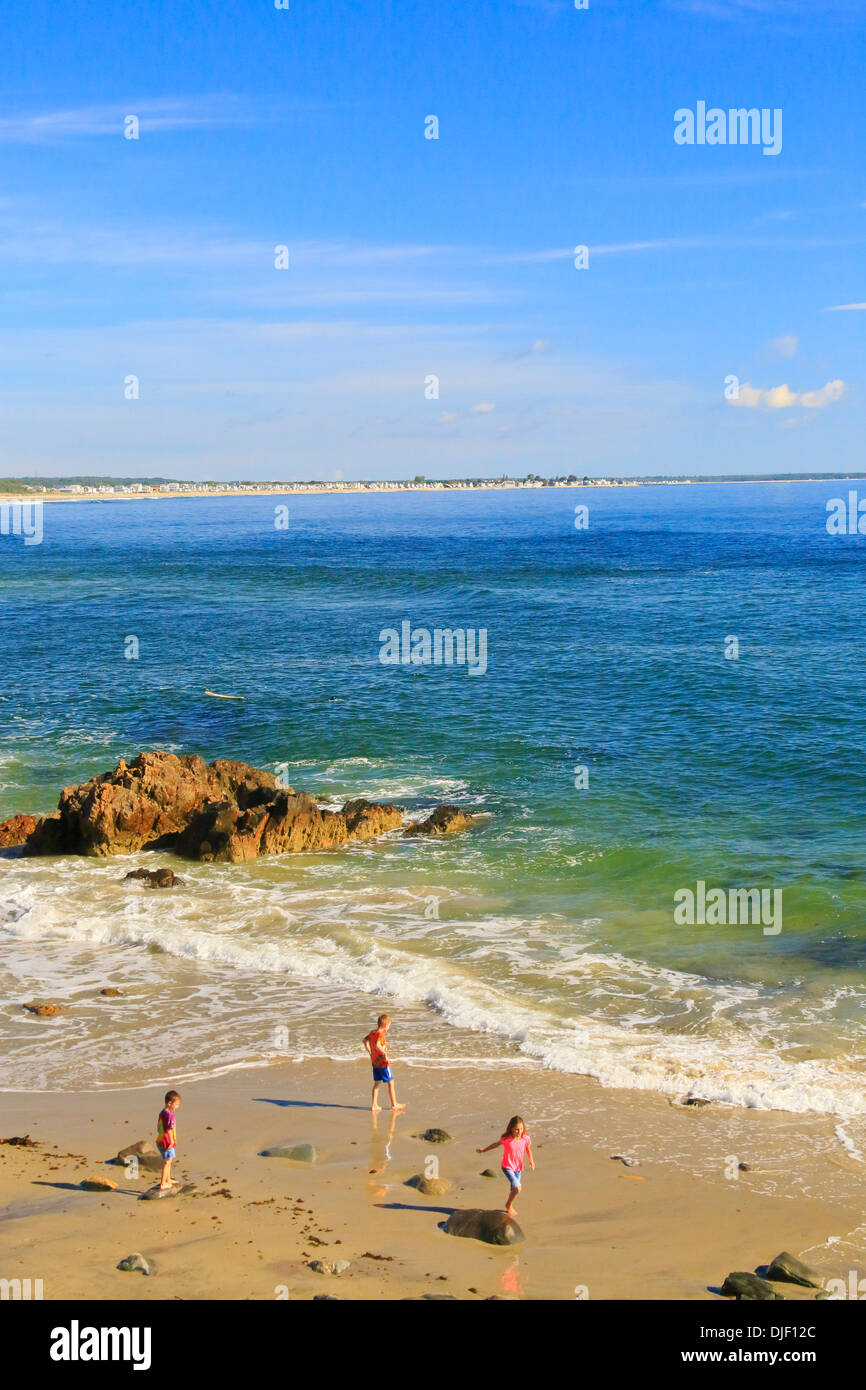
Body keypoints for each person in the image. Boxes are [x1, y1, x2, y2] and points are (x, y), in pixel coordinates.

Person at [476, 1114, 534, 1214]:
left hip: (518, 1168)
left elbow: (528, 1149)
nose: (519, 1132)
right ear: (511, 1129)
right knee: (517, 1188)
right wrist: (484, 1150)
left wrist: (531, 1161)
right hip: (507, 1167)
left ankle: (509, 1205)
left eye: (521, 1129)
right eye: (516, 1129)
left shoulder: (525, 1138)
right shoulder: (507, 1139)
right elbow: (496, 1144)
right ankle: (508, 1205)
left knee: (513, 1190)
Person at [362, 1014, 404, 1112]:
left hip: (375, 1062)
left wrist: (370, 1052)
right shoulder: (381, 1035)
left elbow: (364, 1041)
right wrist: (384, 1054)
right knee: (391, 1082)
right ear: (385, 1025)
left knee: (377, 1083)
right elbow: (377, 1045)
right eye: (389, 1026)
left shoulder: (372, 1033)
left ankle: (374, 1105)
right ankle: (394, 1104)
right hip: (383, 1063)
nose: (389, 1028)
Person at [156, 1089, 182, 1190]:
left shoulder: (163, 1112)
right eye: (176, 1104)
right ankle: (163, 1183)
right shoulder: (169, 1114)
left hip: (162, 1139)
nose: (177, 1107)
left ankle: (167, 1179)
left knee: (169, 1160)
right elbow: (168, 1129)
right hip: (166, 1141)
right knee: (167, 1161)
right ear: (170, 1103)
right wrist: (171, 1141)